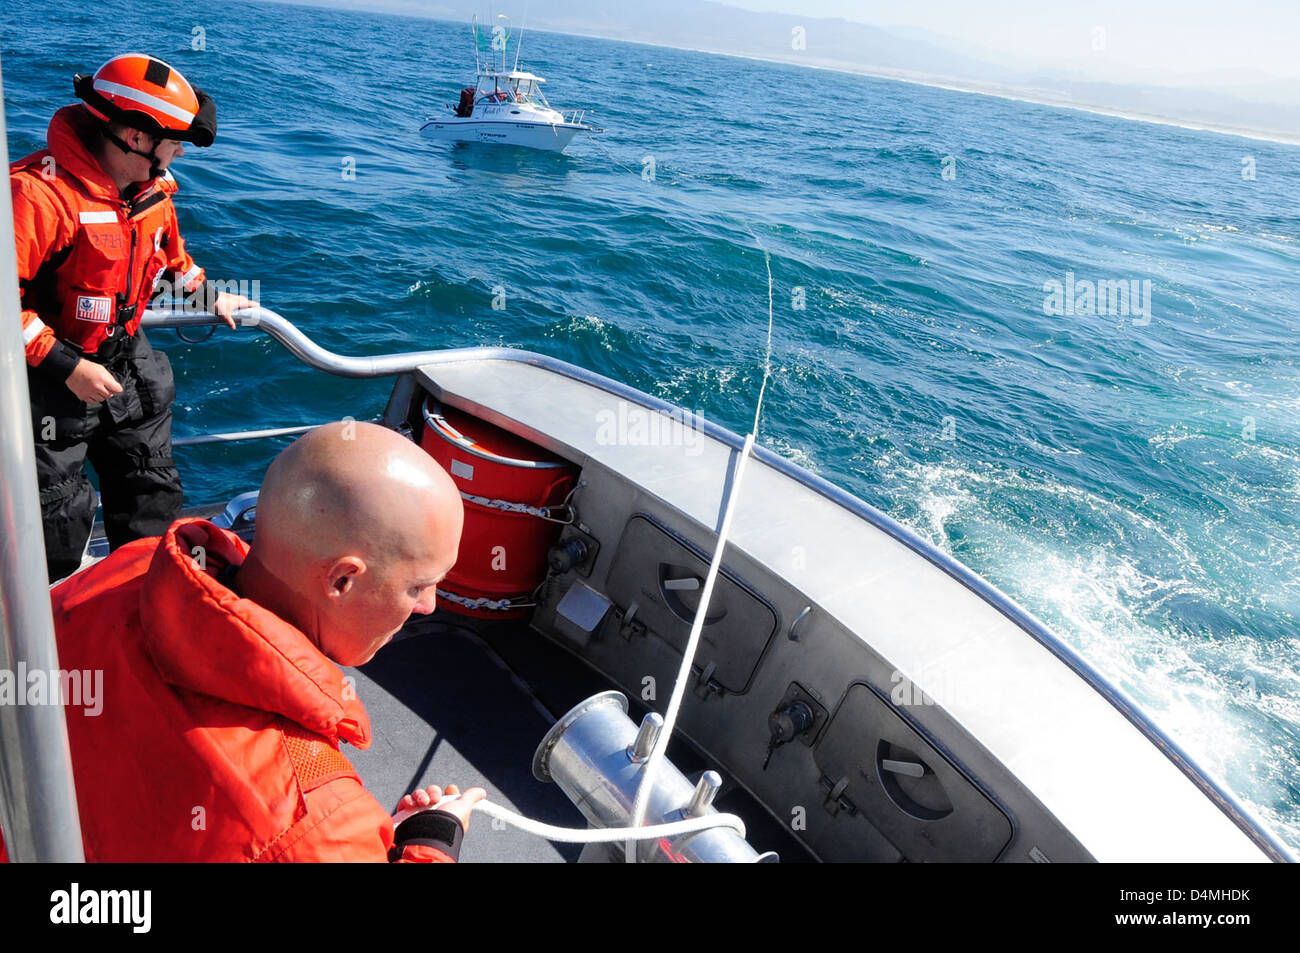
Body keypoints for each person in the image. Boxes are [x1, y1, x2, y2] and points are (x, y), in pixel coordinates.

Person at [2, 422, 485, 862]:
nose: (429, 606)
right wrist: (431, 840)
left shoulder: (130, 566)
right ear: (341, 581)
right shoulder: (314, 821)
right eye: (418, 586)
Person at [10, 53, 257, 583]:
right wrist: (65, 365)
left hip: (124, 360)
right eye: (173, 141)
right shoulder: (37, 194)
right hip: (48, 379)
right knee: (55, 513)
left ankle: (141, 595)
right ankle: (55, 620)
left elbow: (169, 262)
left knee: (153, 489)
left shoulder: (150, 195)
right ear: (134, 136)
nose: (179, 153)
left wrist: (210, 295)